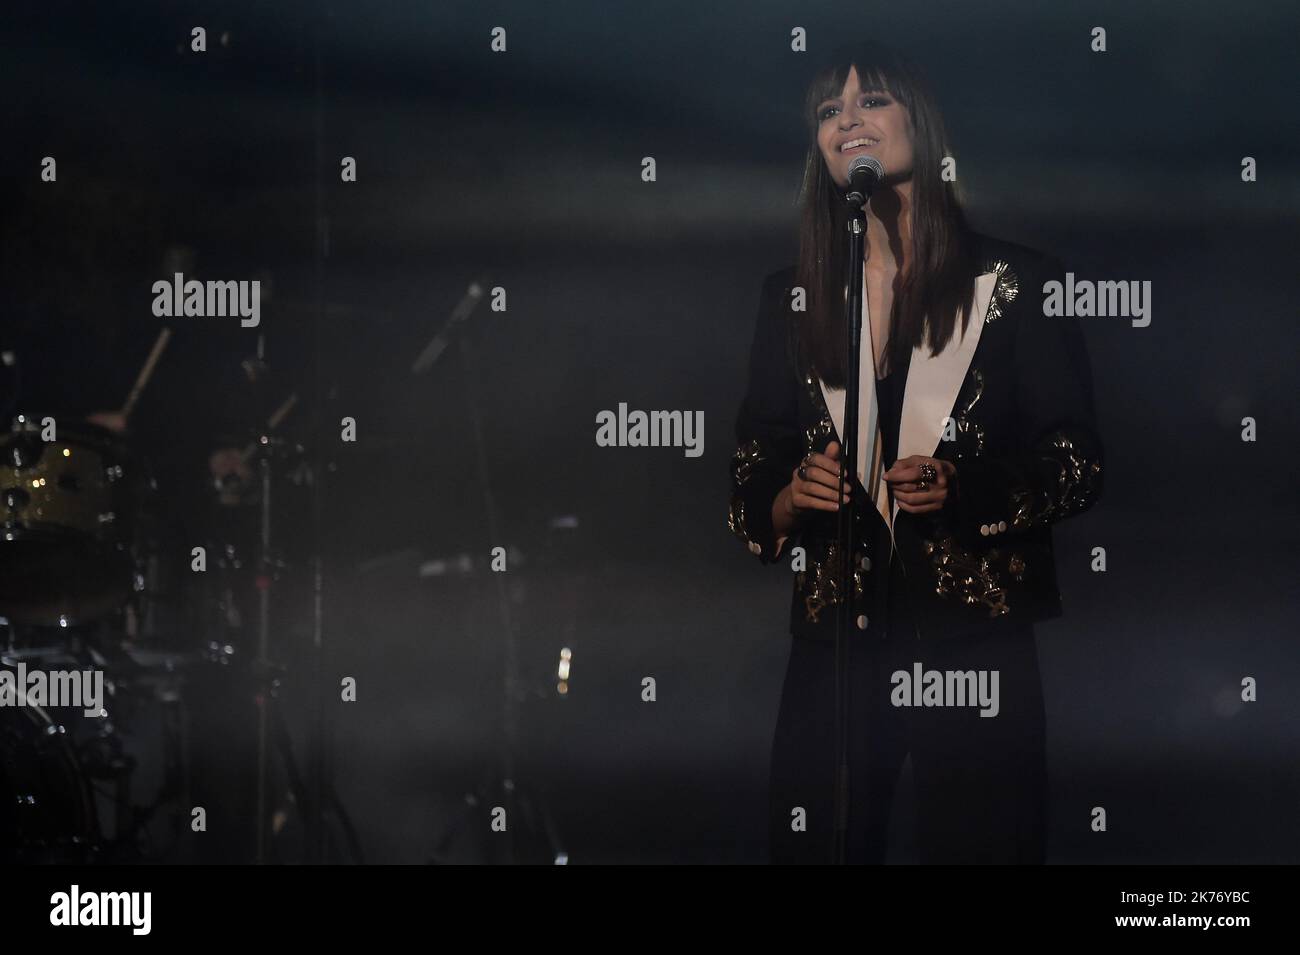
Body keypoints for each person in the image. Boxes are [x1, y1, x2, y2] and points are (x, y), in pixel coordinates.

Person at [727, 43, 1103, 864]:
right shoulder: (791, 296)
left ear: (922, 127)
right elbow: (752, 461)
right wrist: (791, 493)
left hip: (973, 643)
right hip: (834, 649)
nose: (848, 121)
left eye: (873, 103)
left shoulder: (1014, 283)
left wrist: (965, 488)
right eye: (830, 111)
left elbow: (1075, 460)